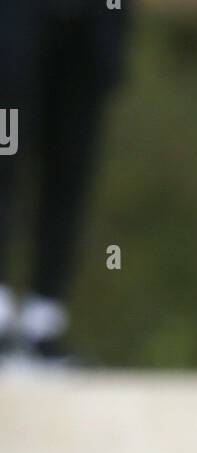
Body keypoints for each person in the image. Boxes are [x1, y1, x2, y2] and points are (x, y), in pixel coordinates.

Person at [0, 0, 132, 365]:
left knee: (70, 174)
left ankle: (43, 323)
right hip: (14, 29)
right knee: (4, 161)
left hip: (90, 30)